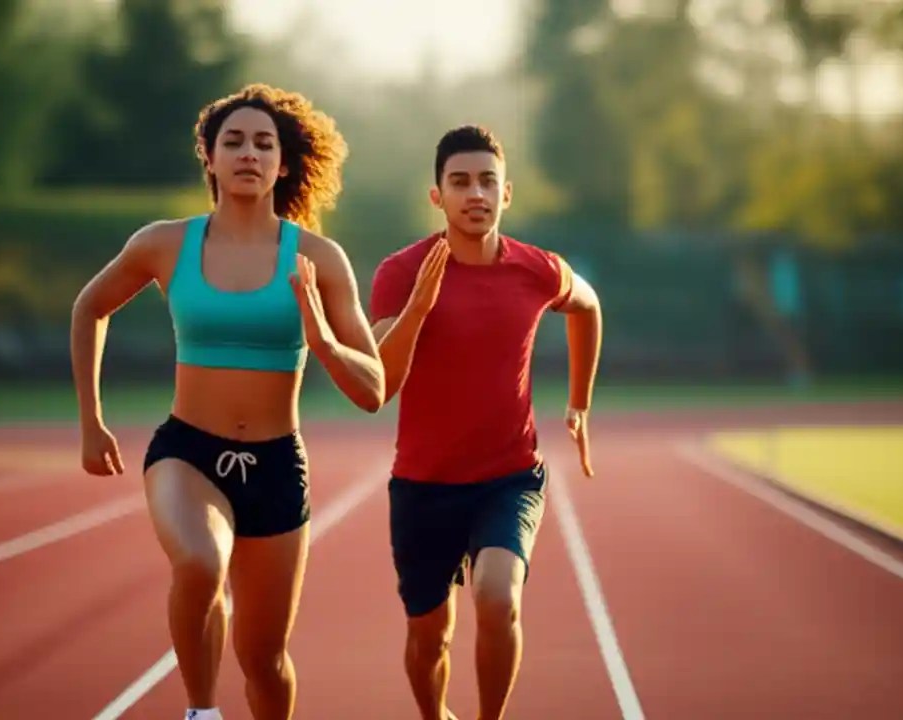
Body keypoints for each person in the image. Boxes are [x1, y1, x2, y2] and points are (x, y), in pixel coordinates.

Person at [70, 83, 385, 720]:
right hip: (189, 452)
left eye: (263, 143)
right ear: (209, 160)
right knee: (199, 562)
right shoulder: (164, 244)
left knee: (265, 661)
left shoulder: (319, 259)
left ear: (284, 163)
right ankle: (200, 712)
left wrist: (321, 337)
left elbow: (373, 390)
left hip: (276, 465)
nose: (248, 153)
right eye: (233, 142)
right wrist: (91, 422)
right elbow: (90, 307)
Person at [368, 125, 602, 720]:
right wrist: (419, 308)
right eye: (460, 182)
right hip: (424, 484)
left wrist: (579, 401)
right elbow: (381, 384)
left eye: (487, 181)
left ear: (507, 193)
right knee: (429, 638)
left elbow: (588, 306)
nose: (476, 193)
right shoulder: (400, 273)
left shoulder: (536, 270)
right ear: (437, 196)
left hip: (509, 477)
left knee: (498, 599)